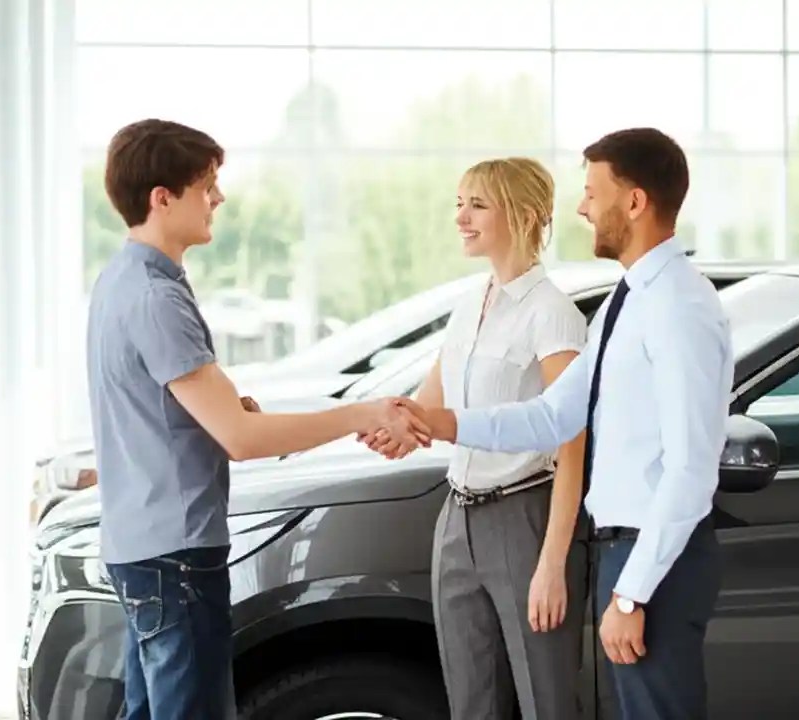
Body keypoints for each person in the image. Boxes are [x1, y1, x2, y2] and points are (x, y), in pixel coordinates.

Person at [380, 128, 732, 720]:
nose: (580, 208)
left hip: (654, 559)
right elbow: (551, 415)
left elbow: (691, 467)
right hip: (628, 552)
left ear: (635, 202)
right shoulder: (632, 299)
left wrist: (633, 591)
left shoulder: (676, 306)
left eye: (593, 192)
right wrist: (437, 423)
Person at [85, 118, 428, 720]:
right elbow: (242, 440)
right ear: (161, 198)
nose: (218, 197)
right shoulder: (156, 297)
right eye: (205, 185)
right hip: (177, 555)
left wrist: (218, 417)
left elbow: (165, 411)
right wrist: (360, 414)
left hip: (143, 546)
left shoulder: (122, 282)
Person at [367, 157, 589, 719]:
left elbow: (572, 443)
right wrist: (371, 429)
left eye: (477, 205)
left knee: (547, 702)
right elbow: (425, 409)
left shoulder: (552, 313)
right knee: (471, 704)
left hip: (525, 519)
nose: (461, 218)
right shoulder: (471, 304)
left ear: (525, 215)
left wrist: (552, 562)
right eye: (459, 203)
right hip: (456, 520)